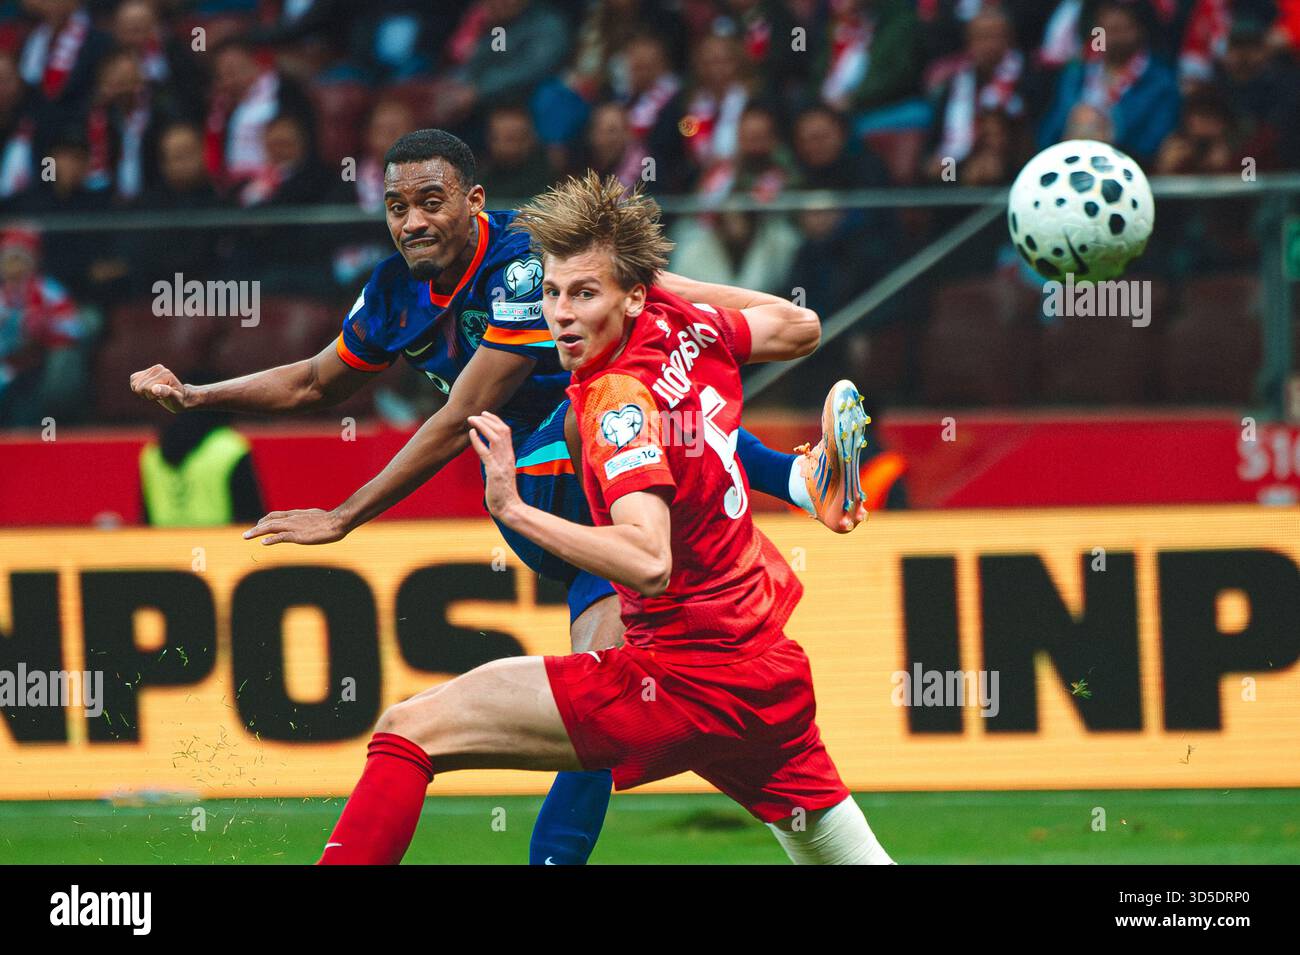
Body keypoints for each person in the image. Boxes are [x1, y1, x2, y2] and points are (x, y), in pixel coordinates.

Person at [128, 129, 868, 865]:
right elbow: (317, 381)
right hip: (738, 642)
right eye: (395, 206)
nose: (412, 220)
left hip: (554, 491)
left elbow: (461, 424)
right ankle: (802, 480)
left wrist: (353, 513)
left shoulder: (532, 279)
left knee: (608, 453)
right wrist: (199, 395)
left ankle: (804, 482)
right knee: (668, 432)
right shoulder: (407, 291)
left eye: (429, 201)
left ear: (474, 200)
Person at [315, 172, 891, 865]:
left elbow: (648, 562)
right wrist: (649, 285)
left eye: (584, 293)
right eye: (551, 293)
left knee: (409, 730)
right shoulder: (687, 326)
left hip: (673, 678)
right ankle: (800, 477)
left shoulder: (614, 400)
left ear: (630, 295)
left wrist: (514, 510)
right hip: (764, 674)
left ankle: (802, 479)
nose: (560, 315)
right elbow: (799, 325)